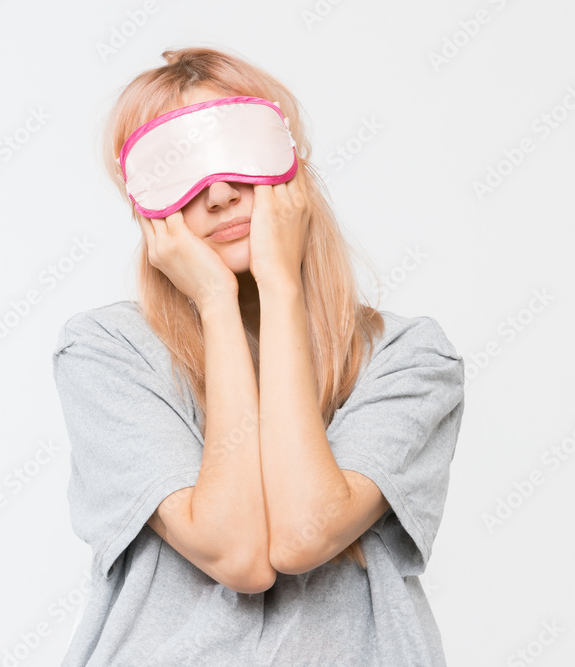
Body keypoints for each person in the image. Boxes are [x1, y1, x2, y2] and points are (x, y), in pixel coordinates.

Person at [52, 46, 466, 666]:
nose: (217, 192)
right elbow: (237, 554)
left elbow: (303, 534)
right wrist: (217, 304)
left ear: (292, 165)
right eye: (177, 167)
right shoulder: (106, 352)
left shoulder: (408, 358)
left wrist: (282, 287)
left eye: (233, 154)